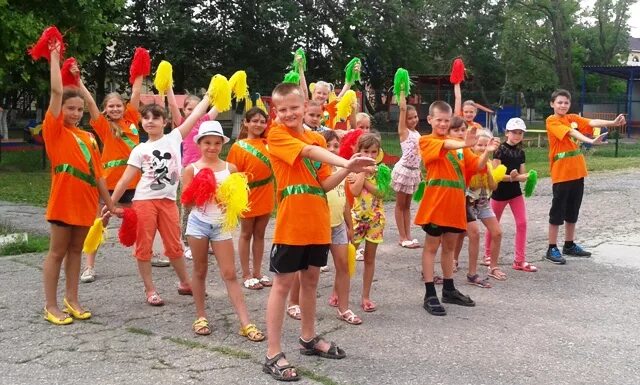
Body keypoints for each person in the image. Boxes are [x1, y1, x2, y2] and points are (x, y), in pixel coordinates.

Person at [262, 82, 374, 381]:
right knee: (283, 285)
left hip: (317, 220)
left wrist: (350, 170)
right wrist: (346, 161)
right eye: (282, 109)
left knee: (311, 280)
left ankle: (308, 338)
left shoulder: (317, 137)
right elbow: (308, 151)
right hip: (292, 222)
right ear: (275, 111)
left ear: (305, 106)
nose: (288, 114)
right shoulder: (277, 135)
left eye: (294, 108)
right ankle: (273, 352)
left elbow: (324, 183)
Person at [42, 41, 121, 325]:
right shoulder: (54, 132)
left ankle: (71, 299)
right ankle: (50, 305)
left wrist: (110, 203)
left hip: (86, 201)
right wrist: (54, 56)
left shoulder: (88, 137)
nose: (75, 113)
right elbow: (55, 90)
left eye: (78, 110)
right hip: (63, 201)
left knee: (77, 251)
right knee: (57, 252)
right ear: (59, 109)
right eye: (69, 108)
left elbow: (99, 174)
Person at [109, 94, 212, 306]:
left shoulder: (174, 137)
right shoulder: (139, 150)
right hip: (144, 202)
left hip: (167, 202)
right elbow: (125, 179)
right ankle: (150, 290)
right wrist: (111, 204)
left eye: (155, 117)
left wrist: (210, 95)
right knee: (144, 247)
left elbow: (197, 115)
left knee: (174, 245)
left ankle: (185, 283)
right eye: (145, 118)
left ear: (164, 122)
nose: (149, 121)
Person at [182, 120, 265, 340]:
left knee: (229, 274)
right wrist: (202, 189)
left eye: (217, 143)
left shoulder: (231, 169)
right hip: (198, 224)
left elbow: (237, 202)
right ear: (199, 144)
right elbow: (186, 202)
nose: (212, 147)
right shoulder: (191, 169)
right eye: (207, 142)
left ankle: (245, 322)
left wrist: (228, 200)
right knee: (200, 271)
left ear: (222, 144)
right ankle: (200, 316)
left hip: (221, 226)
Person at [415, 101, 498, 316]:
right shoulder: (427, 141)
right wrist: (465, 143)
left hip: (455, 202)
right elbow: (446, 146)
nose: (443, 124)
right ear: (430, 120)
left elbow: (477, 166)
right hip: (437, 202)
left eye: (446, 120)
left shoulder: (459, 147)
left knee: (450, 247)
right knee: (431, 247)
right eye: (439, 120)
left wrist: (487, 151)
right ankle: (430, 293)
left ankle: (449, 289)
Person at [77, 61, 144, 283]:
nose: (115, 109)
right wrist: (78, 81)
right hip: (110, 183)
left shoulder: (133, 119)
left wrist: (141, 66)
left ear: (124, 107)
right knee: (100, 222)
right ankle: (89, 266)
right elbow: (88, 101)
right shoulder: (103, 126)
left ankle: (146, 255)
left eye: (119, 105)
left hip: (136, 183)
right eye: (111, 106)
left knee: (143, 221)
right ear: (105, 109)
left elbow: (136, 90)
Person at [544, 89, 625, 264]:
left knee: (573, 209)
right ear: (552, 104)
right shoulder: (552, 120)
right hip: (562, 173)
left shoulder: (572, 118)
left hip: (577, 171)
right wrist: (590, 141)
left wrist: (613, 122)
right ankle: (551, 248)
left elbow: (591, 121)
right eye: (559, 102)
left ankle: (569, 244)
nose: (563, 105)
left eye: (566, 102)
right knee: (557, 211)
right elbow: (571, 133)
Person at [226, 107, 275, 290]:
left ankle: (257, 272)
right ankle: (246, 274)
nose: (258, 124)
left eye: (262, 121)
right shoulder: (238, 147)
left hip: (266, 192)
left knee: (261, 234)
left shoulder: (268, 143)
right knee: (246, 234)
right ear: (246, 123)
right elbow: (232, 175)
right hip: (246, 196)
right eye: (254, 121)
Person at [168, 93, 219, 261]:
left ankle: (206, 239)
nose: (194, 111)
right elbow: (173, 106)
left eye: (198, 108)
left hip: (206, 169)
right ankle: (188, 242)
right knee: (188, 207)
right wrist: (168, 86)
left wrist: (227, 87)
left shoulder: (205, 122)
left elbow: (219, 104)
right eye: (190, 108)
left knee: (207, 204)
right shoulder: (181, 123)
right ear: (184, 110)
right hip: (188, 170)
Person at [487, 117, 537, 273]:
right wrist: (513, 177)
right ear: (507, 132)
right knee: (493, 225)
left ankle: (519, 260)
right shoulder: (499, 150)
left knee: (522, 224)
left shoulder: (521, 152)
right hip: (499, 193)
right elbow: (496, 175)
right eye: (514, 132)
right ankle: (487, 255)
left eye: (520, 133)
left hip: (515, 193)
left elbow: (522, 174)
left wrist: (527, 176)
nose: (517, 135)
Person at [322, 130, 361, 324]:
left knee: (343, 266)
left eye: (335, 146)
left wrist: (350, 225)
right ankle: (294, 303)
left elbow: (344, 200)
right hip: (319, 226)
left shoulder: (341, 170)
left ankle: (343, 308)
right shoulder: (317, 171)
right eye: (327, 146)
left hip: (337, 225)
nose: (331, 149)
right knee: (305, 270)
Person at [349, 133, 386, 313]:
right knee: (348, 257)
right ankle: (338, 292)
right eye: (366, 151)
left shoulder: (382, 170)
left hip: (375, 220)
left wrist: (367, 183)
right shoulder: (352, 170)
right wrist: (363, 171)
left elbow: (382, 193)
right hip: (357, 219)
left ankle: (365, 296)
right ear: (359, 151)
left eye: (373, 152)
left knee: (369, 259)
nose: (370, 156)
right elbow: (355, 191)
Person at [463, 127, 504, 282]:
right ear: (473, 146)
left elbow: (494, 187)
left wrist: (489, 172)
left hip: (483, 202)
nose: (483, 148)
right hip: (468, 202)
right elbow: (472, 184)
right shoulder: (469, 161)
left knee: (497, 232)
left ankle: (493, 267)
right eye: (480, 145)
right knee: (471, 234)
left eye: (486, 146)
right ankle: (471, 272)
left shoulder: (488, 164)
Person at [391, 89, 421, 249]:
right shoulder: (404, 132)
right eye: (410, 118)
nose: (413, 120)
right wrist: (402, 89)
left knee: (408, 206)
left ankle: (408, 235)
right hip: (403, 171)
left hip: (413, 172)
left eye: (415, 116)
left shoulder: (417, 133)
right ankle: (402, 237)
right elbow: (402, 108)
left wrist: (420, 170)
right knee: (400, 205)